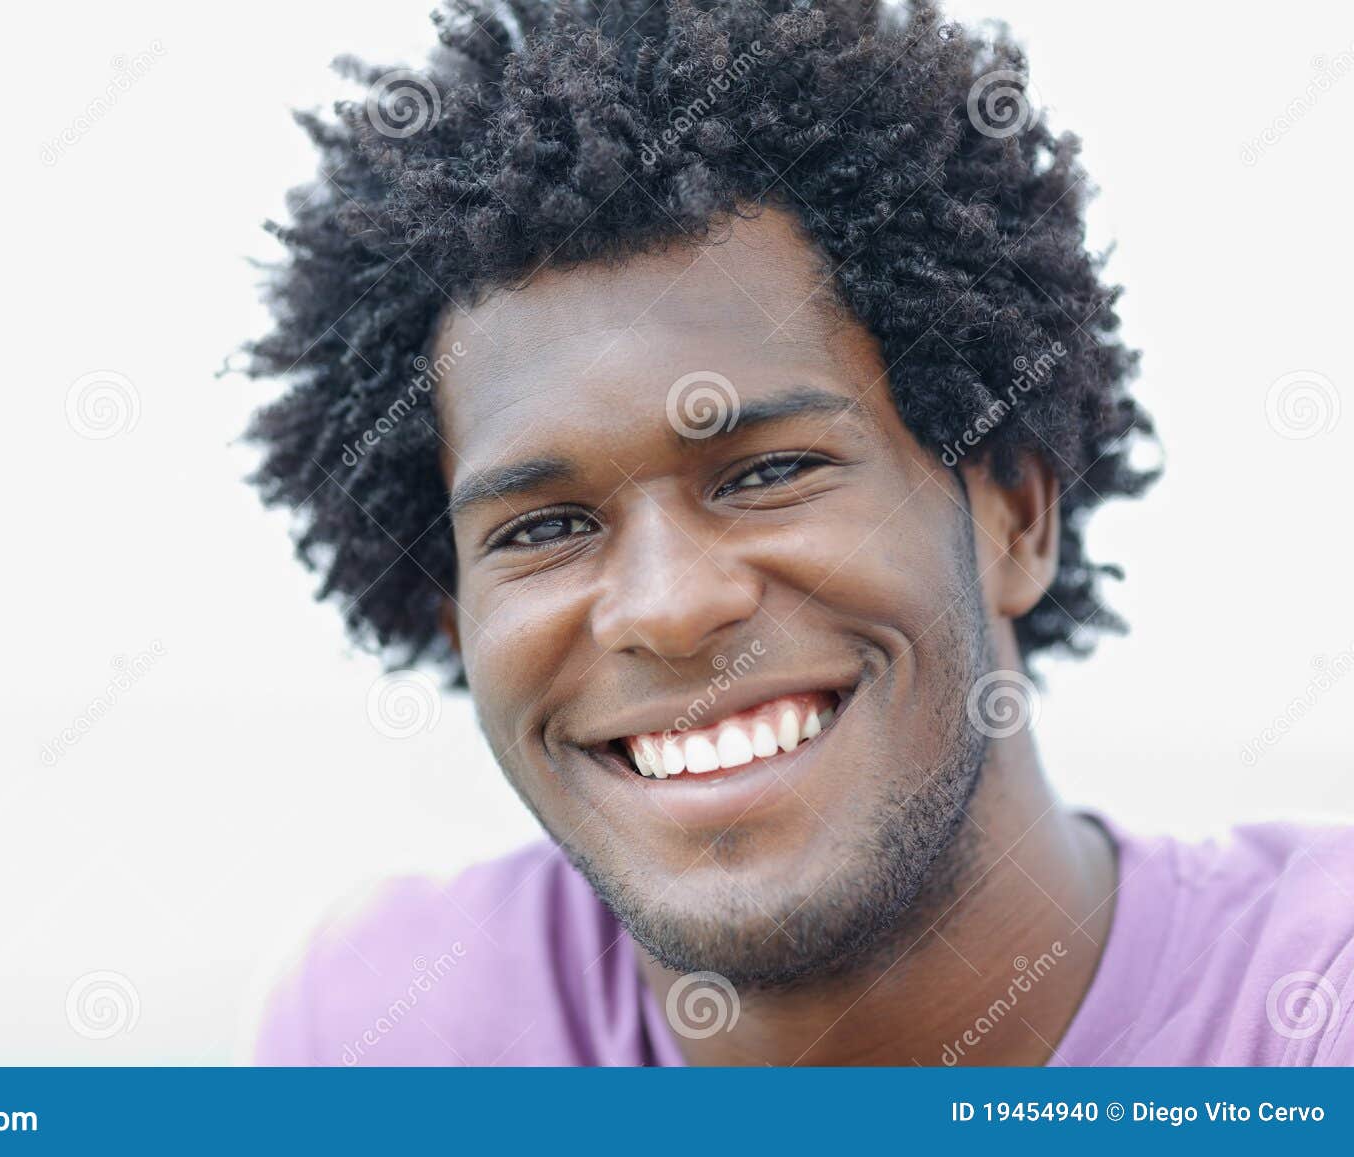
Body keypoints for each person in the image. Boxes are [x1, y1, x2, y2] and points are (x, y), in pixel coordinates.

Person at [243, 0, 1354, 1065]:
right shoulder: (387, 1038)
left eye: (768, 471)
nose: (672, 607)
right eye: (543, 528)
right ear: (453, 613)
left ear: (1015, 511)